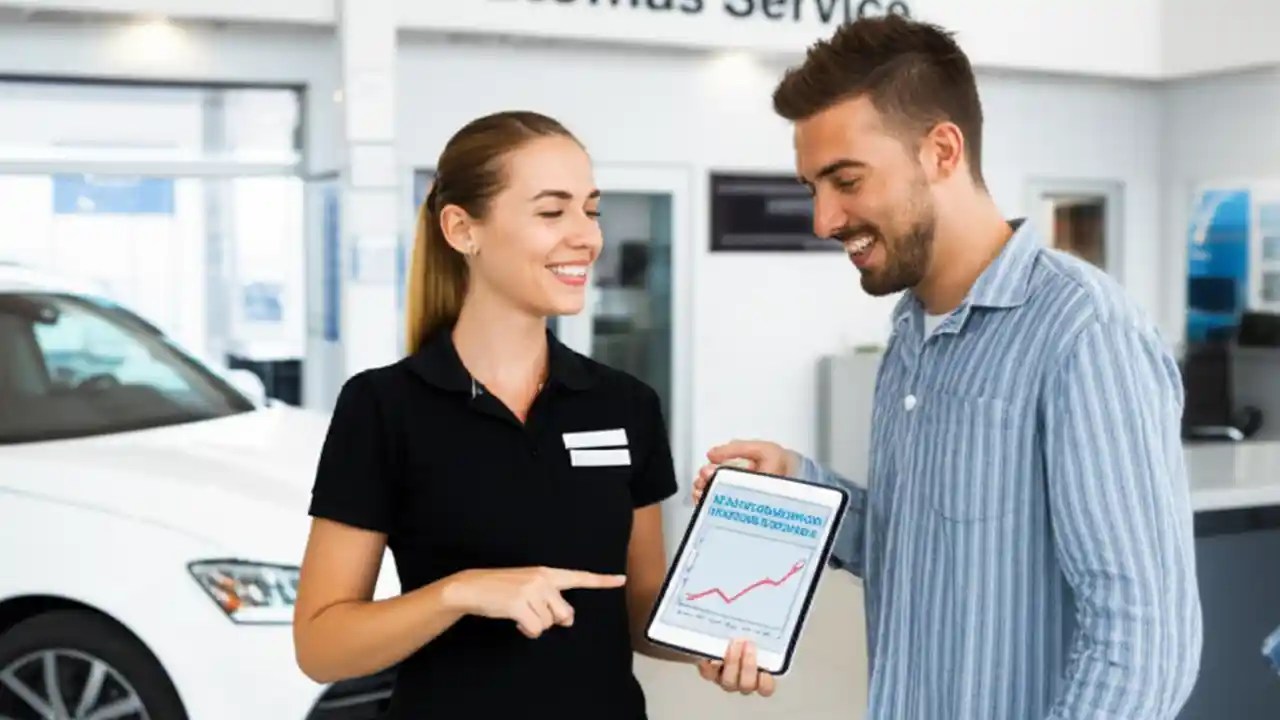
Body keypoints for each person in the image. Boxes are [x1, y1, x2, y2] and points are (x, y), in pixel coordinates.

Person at [693, 16, 1203, 719]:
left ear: (941, 150)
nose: (823, 219)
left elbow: (1144, 635)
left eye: (845, 180)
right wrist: (803, 485)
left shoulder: (1084, 331)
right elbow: (924, 549)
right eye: (813, 187)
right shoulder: (909, 334)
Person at [292, 110, 771, 718]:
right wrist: (460, 593)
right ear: (463, 229)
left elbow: (639, 606)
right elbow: (321, 646)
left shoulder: (626, 404)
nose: (588, 236)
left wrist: (717, 635)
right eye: (552, 211)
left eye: (591, 210)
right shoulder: (383, 407)